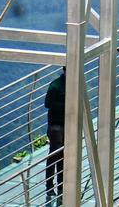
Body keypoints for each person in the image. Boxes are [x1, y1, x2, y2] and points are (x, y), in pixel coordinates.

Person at [44, 67, 65, 205]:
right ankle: (50, 186)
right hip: (56, 125)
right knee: (55, 155)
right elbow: (48, 103)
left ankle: (62, 185)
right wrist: (66, 105)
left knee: (64, 155)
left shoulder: (71, 83)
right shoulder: (56, 85)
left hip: (66, 124)